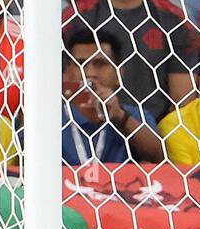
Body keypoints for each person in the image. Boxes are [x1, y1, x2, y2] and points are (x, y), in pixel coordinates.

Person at [63, 0, 200, 123]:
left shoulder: (174, 20)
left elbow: (183, 104)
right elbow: (60, 87)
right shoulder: (74, 18)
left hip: (153, 135)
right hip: (83, 131)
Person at [62, 27, 165, 165]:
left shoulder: (137, 116)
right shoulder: (48, 120)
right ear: (66, 74)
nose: (89, 73)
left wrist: (120, 117)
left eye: (100, 64)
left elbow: (159, 158)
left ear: (119, 74)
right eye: (81, 64)